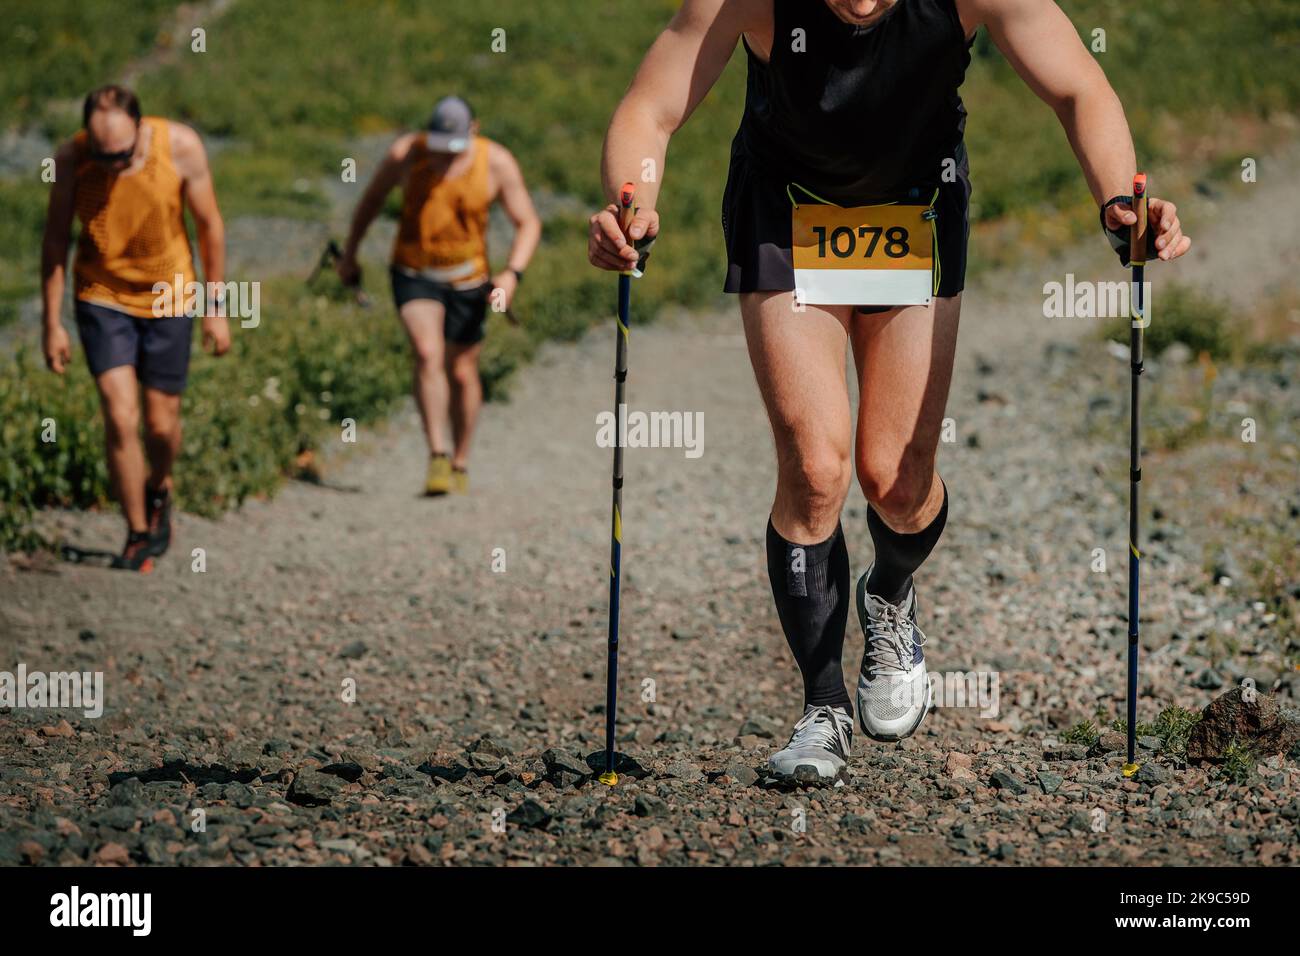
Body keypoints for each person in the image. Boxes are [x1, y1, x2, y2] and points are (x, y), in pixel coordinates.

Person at [588, 0, 1190, 783]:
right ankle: (823, 707)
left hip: (916, 209)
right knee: (815, 468)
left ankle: (890, 591)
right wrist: (629, 204)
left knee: (895, 481)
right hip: (787, 209)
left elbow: (1078, 86)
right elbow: (652, 105)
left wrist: (1120, 203)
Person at [42, 84, 229, 572]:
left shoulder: (181, 147)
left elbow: (209, 227)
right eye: (103, 157)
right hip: (101, 295)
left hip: (169, 292)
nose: (113, 168)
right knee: (120, 417)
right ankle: (138, 532)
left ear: (140, 131)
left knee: (161, 425)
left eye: (122, 157)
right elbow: (55, 241)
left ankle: (159, 486)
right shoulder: (71, 160)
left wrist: (216, 307)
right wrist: (51, 323)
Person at [338, 95, 542, 495]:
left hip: (469, 278)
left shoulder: (496, 162)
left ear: (474, 132)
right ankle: (437, 455)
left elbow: (528, 222)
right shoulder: (405, 154)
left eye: (453, 151)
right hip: (414, 272)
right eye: (438, 149)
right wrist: (350, 254)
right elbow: (371, 201)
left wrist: (512, 274)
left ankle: (461, 460)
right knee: (427, 353)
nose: (444, 160)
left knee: (463, 371)